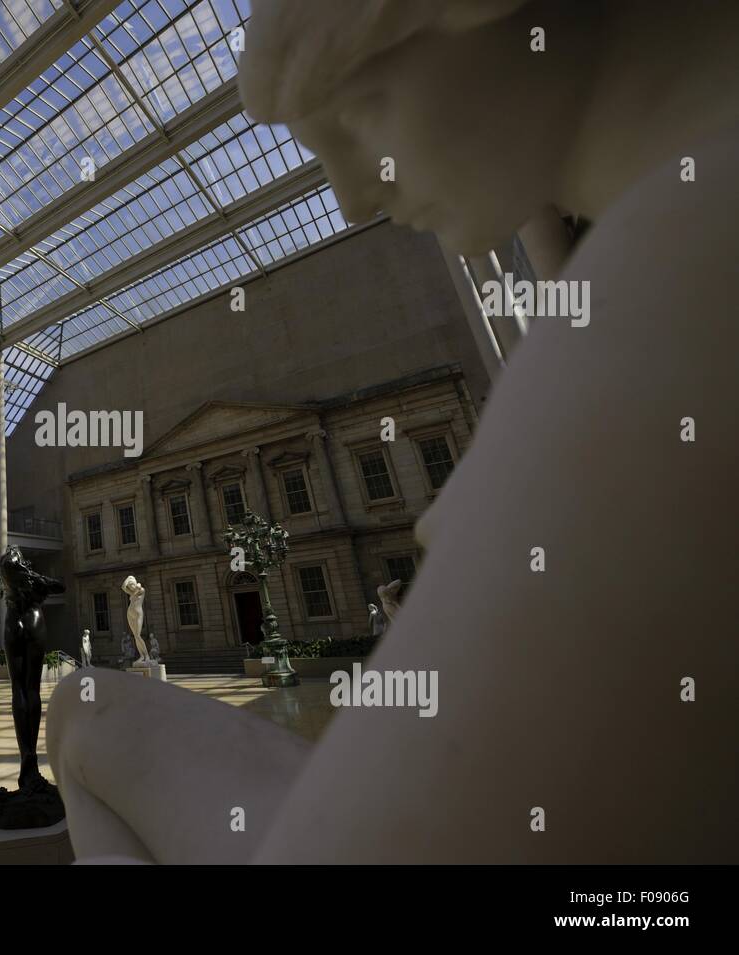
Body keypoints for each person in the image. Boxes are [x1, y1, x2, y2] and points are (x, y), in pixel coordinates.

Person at [43, 0, 739, 863]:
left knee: (76, 712)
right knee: (82, 703)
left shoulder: (672, 282)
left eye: (364, 110)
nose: (349, 201)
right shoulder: (662, 244)